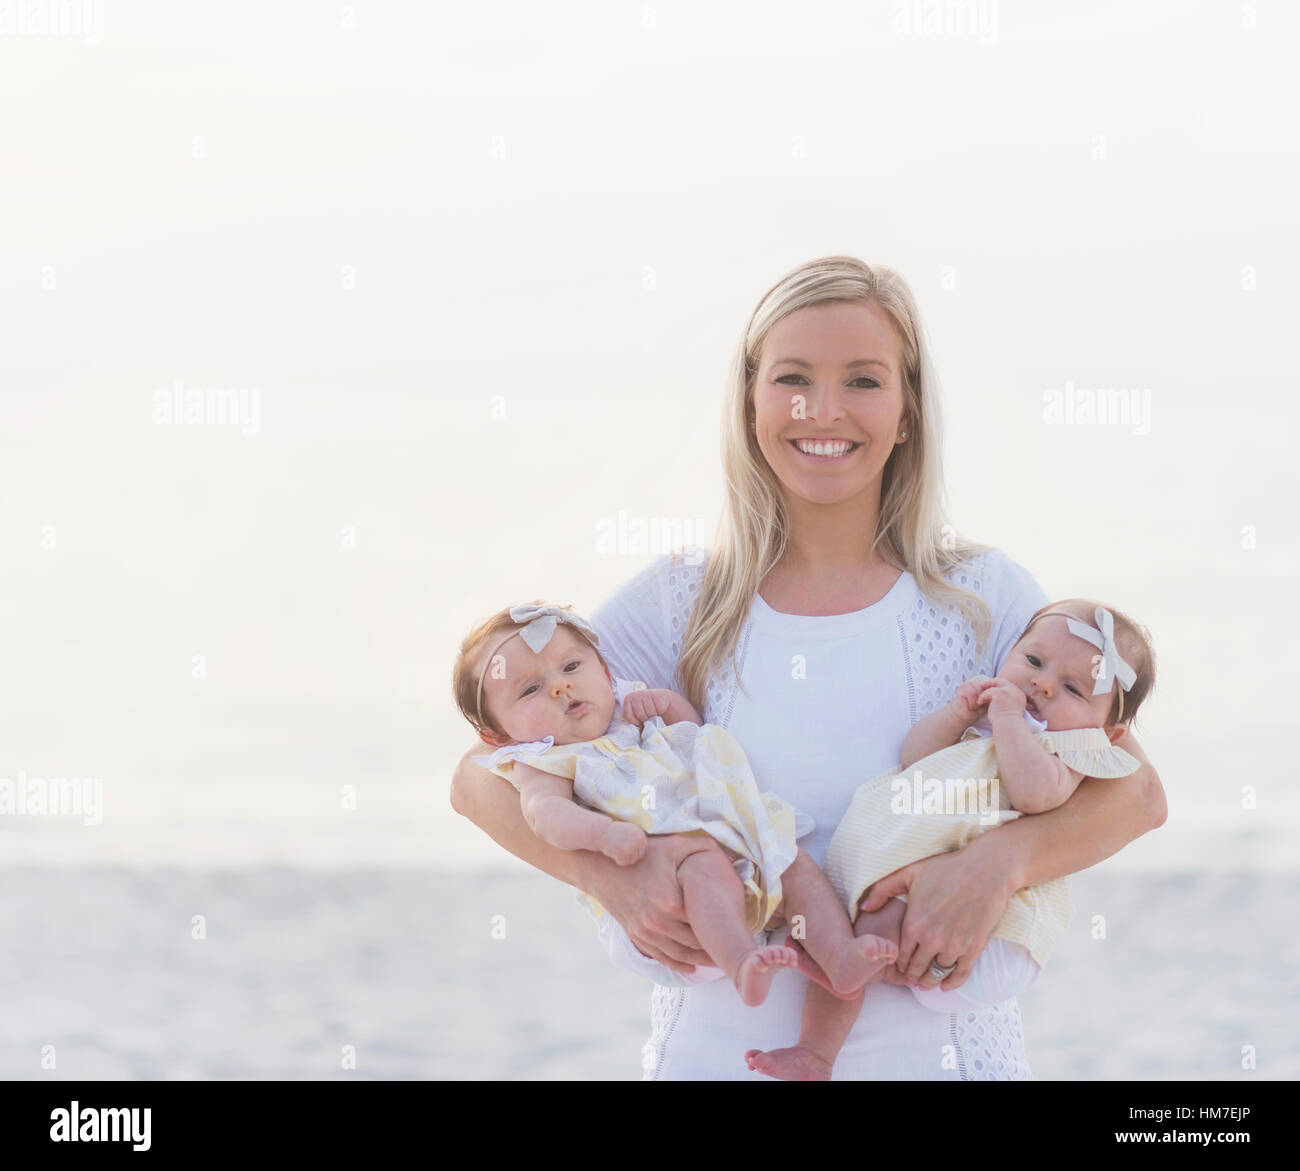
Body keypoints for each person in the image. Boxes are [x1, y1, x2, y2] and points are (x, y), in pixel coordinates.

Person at [450, 255, 1167, 1079]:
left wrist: (999, 865)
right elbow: (476, 779)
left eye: (863, 380)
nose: (822, 411)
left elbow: (1136, 793)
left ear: (907, 412)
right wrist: (608, 875)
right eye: (793, 378)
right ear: (751, 400)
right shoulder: (676, 603)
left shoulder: (985, 599)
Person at [744, 598, 1156, 1080]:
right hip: (919, 878)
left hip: (989, 933)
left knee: (871, 931)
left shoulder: (1069, 751)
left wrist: (1006, 722)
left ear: (1110, 731)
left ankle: (827, 1012)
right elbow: (915, 757)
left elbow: (1035, 794)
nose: (1042, 684)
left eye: (1072, 688)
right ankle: (815, 1049)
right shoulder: (987, 723)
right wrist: (957, 717)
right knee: (851, 926)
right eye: (1034, 661)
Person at [451, 602, 897, 1007]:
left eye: (571, 666)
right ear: (497, 735)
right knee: (702, 865)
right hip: (668, 887)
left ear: (605, 671)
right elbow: (545, 816)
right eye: (530, 689)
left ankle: (839, 954)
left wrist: (671, 705)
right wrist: (603, 837)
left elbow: (697, 743)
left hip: (731, 842)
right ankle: (742, 963)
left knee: (792, 856)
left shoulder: (632, 715)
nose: (560, 686)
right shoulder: (542, 759)